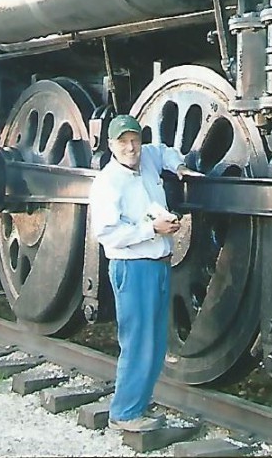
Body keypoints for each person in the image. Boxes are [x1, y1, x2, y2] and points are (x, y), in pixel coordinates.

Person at [88, 114, 201, 432]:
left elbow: (163, 151)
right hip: (133, 267)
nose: (131, 147)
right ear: (111, 145)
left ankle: (138, 403)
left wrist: (179, 166)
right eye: (123, 142)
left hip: (158, 264)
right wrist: (152, 229)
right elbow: (107, 233)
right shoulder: (107, 182)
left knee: (154, 343)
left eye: (134, 140)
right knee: (138, 342)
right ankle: (124, 414)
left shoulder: (147, 157)